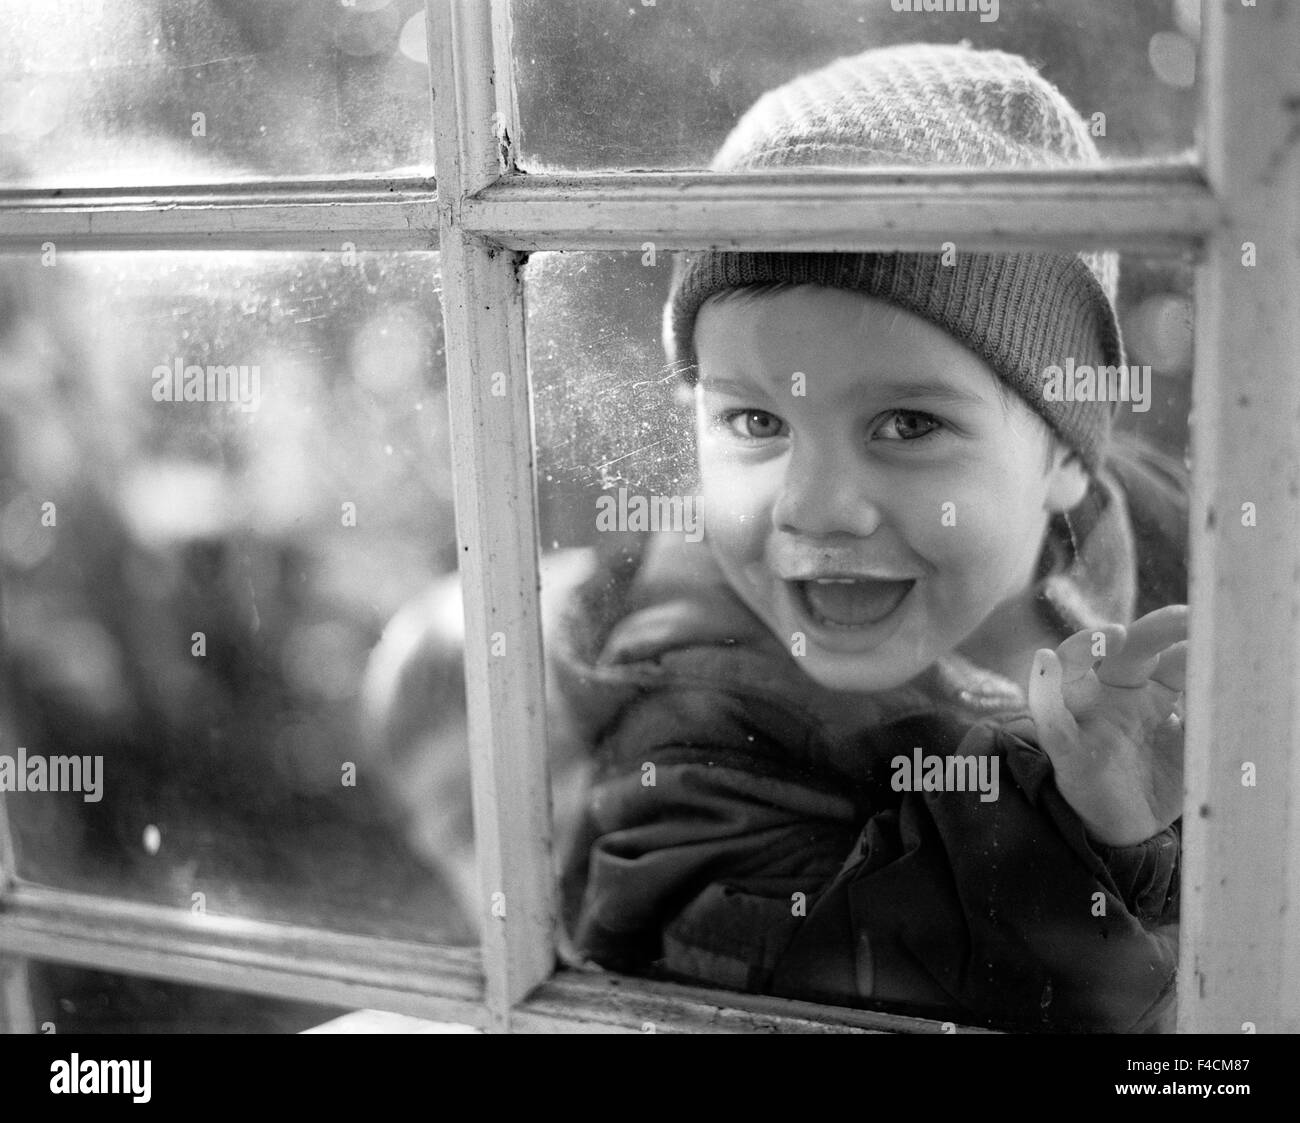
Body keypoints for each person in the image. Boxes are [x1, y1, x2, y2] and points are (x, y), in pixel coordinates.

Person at [553, 43, 1189, 1033]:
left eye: (906, 425)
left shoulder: (1170, 550)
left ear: (1066, 455)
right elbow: (786, 979)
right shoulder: (692, 706)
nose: (816, 507)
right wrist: (1089, 826)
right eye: (755, 422)